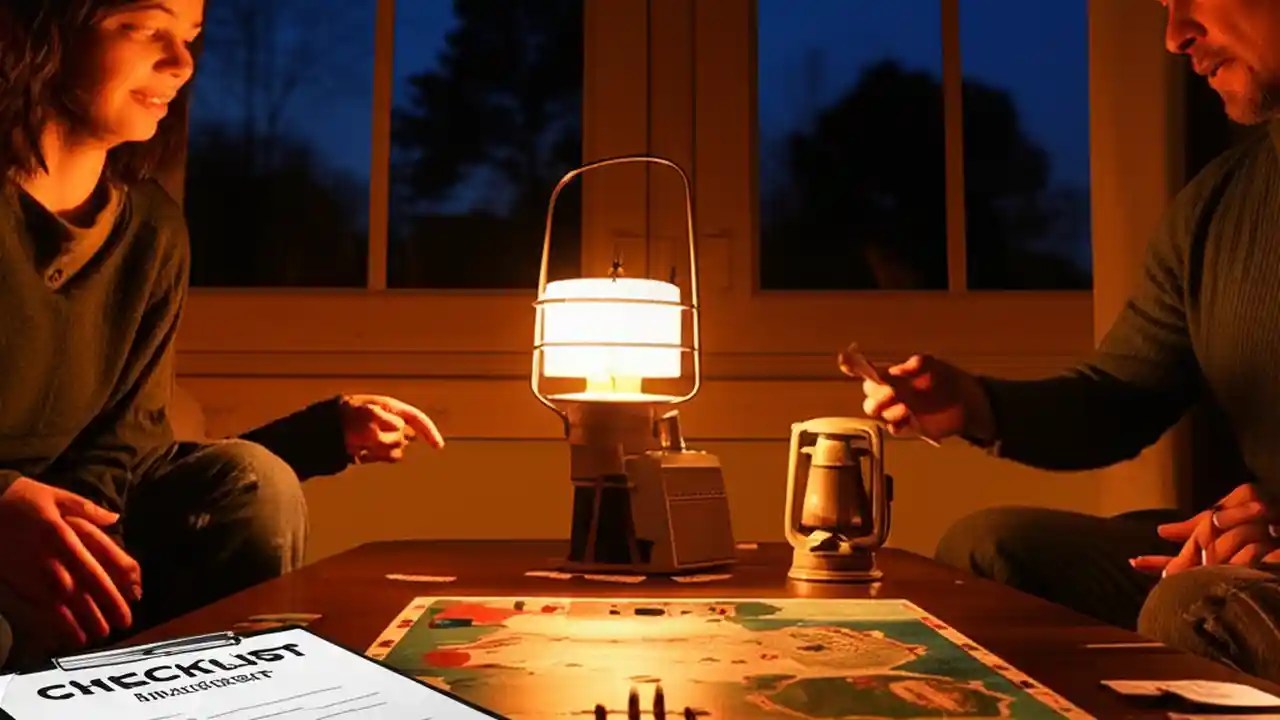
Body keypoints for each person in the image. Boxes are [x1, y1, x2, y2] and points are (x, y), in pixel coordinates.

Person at [0, 0, 445, 671]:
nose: (180, 64)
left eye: (190, 37)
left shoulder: (151, 231)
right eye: (147, 28)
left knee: (252, 480)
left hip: (66, 547)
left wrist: (316, 436)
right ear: (45, 29)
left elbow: (125, 456)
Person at [862, 0, 1280, 682]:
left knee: (1193, 608)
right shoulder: (1220, 204)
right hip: (1248, 553)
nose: (1175, 36)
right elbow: (1123, 396)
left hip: (1250, 565)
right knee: (989, 549)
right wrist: (973, 403)